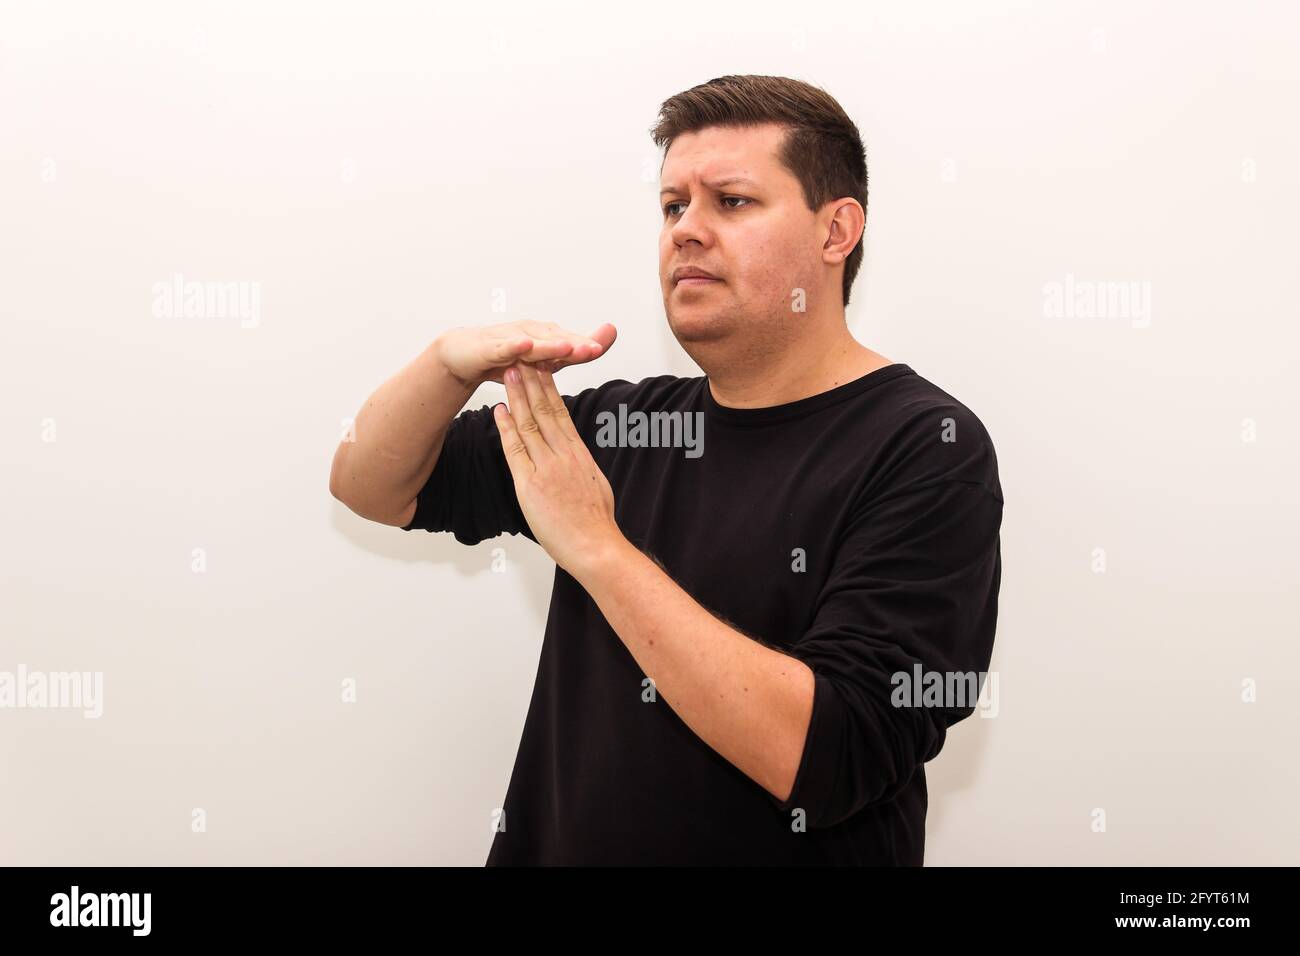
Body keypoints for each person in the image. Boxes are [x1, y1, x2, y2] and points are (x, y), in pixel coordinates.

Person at [330, 74, 1003, 865]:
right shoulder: (625, 425)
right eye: (673, 206)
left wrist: (599, 547)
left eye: (733, 202)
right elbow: (370, 485)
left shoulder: (928, 447)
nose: (687, 230)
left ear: (836, 231)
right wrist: (448, 362)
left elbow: (829, 755)